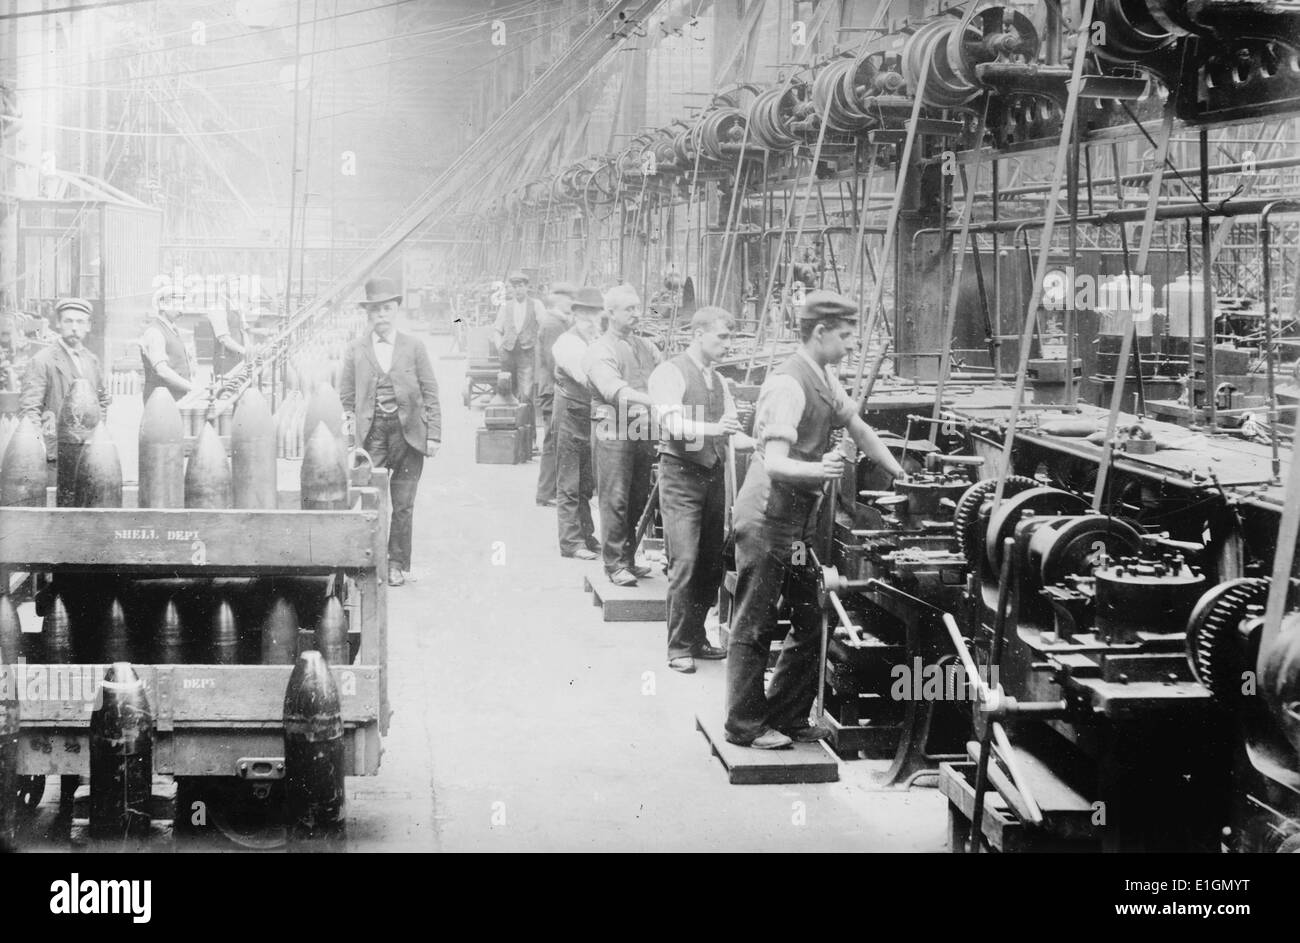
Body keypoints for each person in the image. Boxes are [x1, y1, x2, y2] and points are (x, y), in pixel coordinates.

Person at [724, 291, 904, 749]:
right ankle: (744, 725)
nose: (851, 344)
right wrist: (819, 469)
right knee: (756, 620)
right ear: (820, 333)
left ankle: (787, 714)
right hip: (768, 515)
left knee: (811, 612)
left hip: (798, 518)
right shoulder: (787, 384)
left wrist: (901, 476)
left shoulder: (824, 375)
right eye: (845, 335)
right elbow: (776, 459)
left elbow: (859, 429)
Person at [649, 306, 751, 674]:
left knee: (710, 563)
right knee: (685, 560)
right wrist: (716, 429)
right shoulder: (669, 372)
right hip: (680, 476)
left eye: (730, 337)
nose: (728, 344)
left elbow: (733, 434)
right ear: (698, 334)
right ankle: (677, 646)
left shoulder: (719, 382)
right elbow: (671, 422)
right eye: (721, 337)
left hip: (712, 476)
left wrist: (763, 444)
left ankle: (696, 638)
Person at [340, 277, 442, 587]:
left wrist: (434, 433)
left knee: (403, 502)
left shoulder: (414, 346)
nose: (382, 315)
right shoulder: (356, 349)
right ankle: (371, 560)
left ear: (396, 309)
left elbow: (430, 390)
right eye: (376, 310)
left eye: (387, 308)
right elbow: (345, 397)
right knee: (372, 499)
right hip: (372, 436)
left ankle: (396, 563)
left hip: (408, 433)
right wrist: (349, 436)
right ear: (368, 314)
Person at [582, 284, 662, 586]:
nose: (636, 314)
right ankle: (614, 563)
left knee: (637, 495)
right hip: (612, 429)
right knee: (614, 497)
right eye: (629, 309)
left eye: (637, 307)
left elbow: (662, 374)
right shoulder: (599, 350)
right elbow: (614, 390)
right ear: (611, 313)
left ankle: (628, 558)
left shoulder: (646, 346)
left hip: (642, 429)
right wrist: (656, 401)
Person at [19, 297, 111, 504]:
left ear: (88, 326)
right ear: (58, 324)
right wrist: (40, 446)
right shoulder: (43, 360)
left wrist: (96, 432)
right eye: (68, 321)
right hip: (55, 455)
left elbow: (102, 400)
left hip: (87, 451)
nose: (74, 328)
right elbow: (29, 409)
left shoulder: (91, 360)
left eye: (80, 322)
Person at [552, 287, 603, 559]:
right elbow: (588, 377)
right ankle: (571, 542)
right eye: (586, 316)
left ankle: (586, 535)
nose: (591, 321)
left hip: (588, 416)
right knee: (569, 482)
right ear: (575, 315)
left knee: (585, 482)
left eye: (595, 315)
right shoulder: (566, 343)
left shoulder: (595, 340)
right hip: (570, 414)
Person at [535, 282, 575, 507]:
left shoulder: (558, 322)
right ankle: (546, 493)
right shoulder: (553, 324)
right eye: (569, 299)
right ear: (558, 300)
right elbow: (554, 361)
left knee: (554, 440)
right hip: (552, 390)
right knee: (552, 441)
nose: (572, 303)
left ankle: (549, 491)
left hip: (553, 388)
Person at [493, 271, 545, 411]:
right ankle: (510, 426)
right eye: (514, 286)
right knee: (506, 392)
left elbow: (544, 327)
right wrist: (500, 348)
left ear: (527, 287)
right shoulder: (506, 306)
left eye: (521, 286)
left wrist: (537, 344)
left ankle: (526, 428)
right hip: (508, 355)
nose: (518, 289)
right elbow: (497, 330)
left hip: (526, 354)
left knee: (526, 394)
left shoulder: (536, 305)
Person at [139, 286, 194, 400]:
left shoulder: (171, 328)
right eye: (178, 305)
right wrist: (191, 387)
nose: (181, 311)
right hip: (162, 400)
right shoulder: (155, 332)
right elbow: (162, 370)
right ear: (163, 305)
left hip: (175, 396)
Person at [208, 279, 252, 378]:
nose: (236, 289)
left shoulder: (236, 305)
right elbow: (224, 338)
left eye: (237, 286)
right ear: (223, 287)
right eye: (233, 286)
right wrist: (244, 351)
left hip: (240, 357)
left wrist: (248, 350)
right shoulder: (217, 307)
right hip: (225, 361)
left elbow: (243, 330)